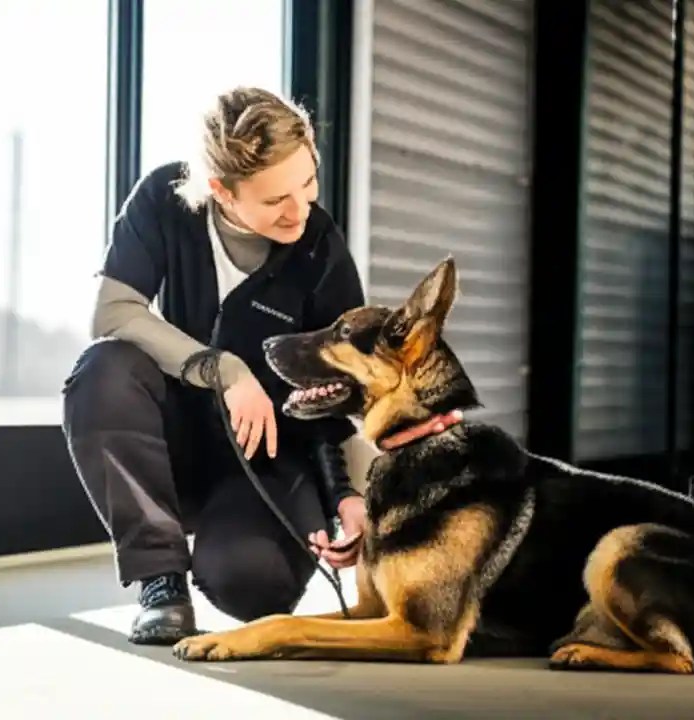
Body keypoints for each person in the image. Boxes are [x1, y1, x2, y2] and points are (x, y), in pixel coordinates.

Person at [61, 86, 457, 645]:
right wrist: (224, 369)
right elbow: (114, 312)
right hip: (171, 441)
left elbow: (337, 391)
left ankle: (232, 543)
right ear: (221, 191)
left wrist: (345, 494)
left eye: (308, 182)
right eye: (276, 200)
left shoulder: (320, 247)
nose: (300, 210)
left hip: (270, 455)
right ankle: (161, 580)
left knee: (254, 586)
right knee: (104, 370)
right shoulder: (163, 200)